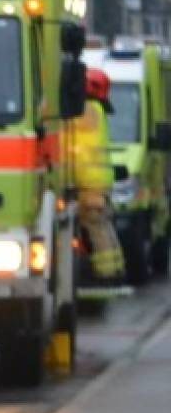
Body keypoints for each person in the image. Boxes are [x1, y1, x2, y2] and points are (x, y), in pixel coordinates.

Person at [72, 66, 125, 282]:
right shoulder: (98, 110)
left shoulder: (86, 110)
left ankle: (106, 274)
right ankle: (115, 269)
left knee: (95, 226)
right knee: (103, 226)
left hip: (88, 181)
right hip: (99, 181)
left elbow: (62, 124)